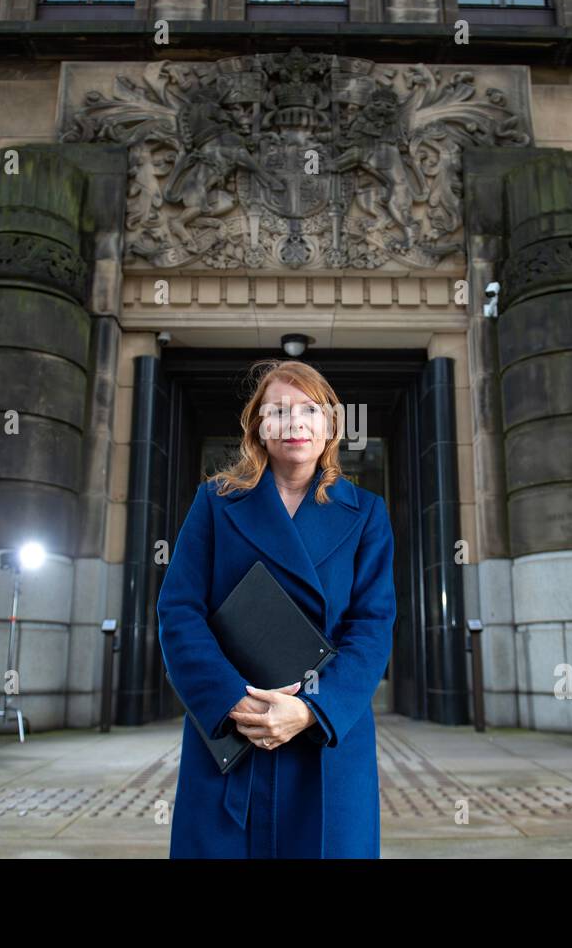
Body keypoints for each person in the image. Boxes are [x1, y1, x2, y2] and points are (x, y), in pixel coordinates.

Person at [157, 358, 397, 858]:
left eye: (310, 409)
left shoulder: (367, 512)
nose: (295, 423)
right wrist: (231, 701)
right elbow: (179, 611)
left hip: (325, 739)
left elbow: (372, 627)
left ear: (330, 424)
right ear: (258, 427)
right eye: (279, 411)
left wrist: (311, 710)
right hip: (232, 732)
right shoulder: (216, 502)